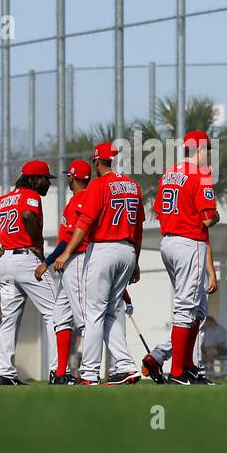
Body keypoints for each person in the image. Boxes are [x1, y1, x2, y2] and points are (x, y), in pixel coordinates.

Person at [54, 142, 144, 386]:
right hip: (127, 250)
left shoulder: (98, 184)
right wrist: (136, 260)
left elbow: (85, 222)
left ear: (96, 162)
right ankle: (125, 366)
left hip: (104, 249)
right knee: (112, 312)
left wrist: (66, 253)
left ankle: (89, 373)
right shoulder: (133, 185)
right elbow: (138, 228)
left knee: (94, 313)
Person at [0, 160, 61, 385]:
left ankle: (6, 373)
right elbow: (27, 216)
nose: (47, 184)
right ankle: (57, 370)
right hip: (27, 260)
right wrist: (39, 246)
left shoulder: (4, 200)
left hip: (6, 263)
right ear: (33, 179)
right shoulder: (30, 196)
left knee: (9, 320)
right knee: (56, 313)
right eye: (44, 179)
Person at [154, 129, 220, 386]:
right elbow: (206, 218)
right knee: (186, 308)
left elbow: (159, 212)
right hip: (188, 242)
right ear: (201, 150)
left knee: (197, 308)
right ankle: (178, 371)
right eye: (208, 151)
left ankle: (189, 367)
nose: (208, 156)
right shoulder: (201, 174)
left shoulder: (169, 173)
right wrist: (217, 216)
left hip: (168, 242)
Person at [36, 159, 93, 383]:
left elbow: (68, 239)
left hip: (78, 260)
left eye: (68, 176)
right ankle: (60, 373)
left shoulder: (80, 199)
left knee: (84, 321)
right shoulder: (85, 198)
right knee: (61, 318)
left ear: (72, 177)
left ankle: (89, 372)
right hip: (73, 262)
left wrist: (47, 262)